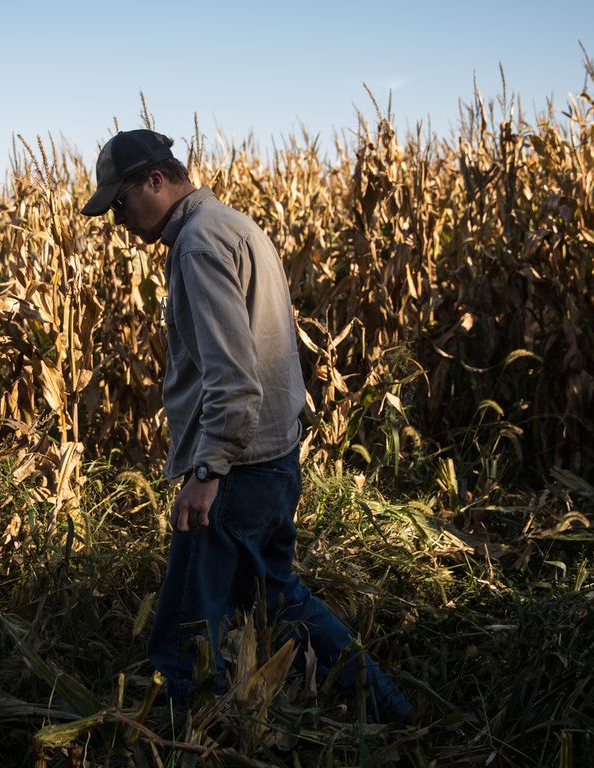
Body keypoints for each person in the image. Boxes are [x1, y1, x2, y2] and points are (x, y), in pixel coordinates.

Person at [80, 129, 414, 724]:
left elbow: (233, 378)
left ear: (154, 181)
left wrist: (207, 470)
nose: (121, 222)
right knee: (276, 602)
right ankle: (388, 709)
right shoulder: (235, 225)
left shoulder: (197, 245)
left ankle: (174, 738)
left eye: (122, 203)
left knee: (183, 629)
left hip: (235, 467)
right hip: (274, 459)